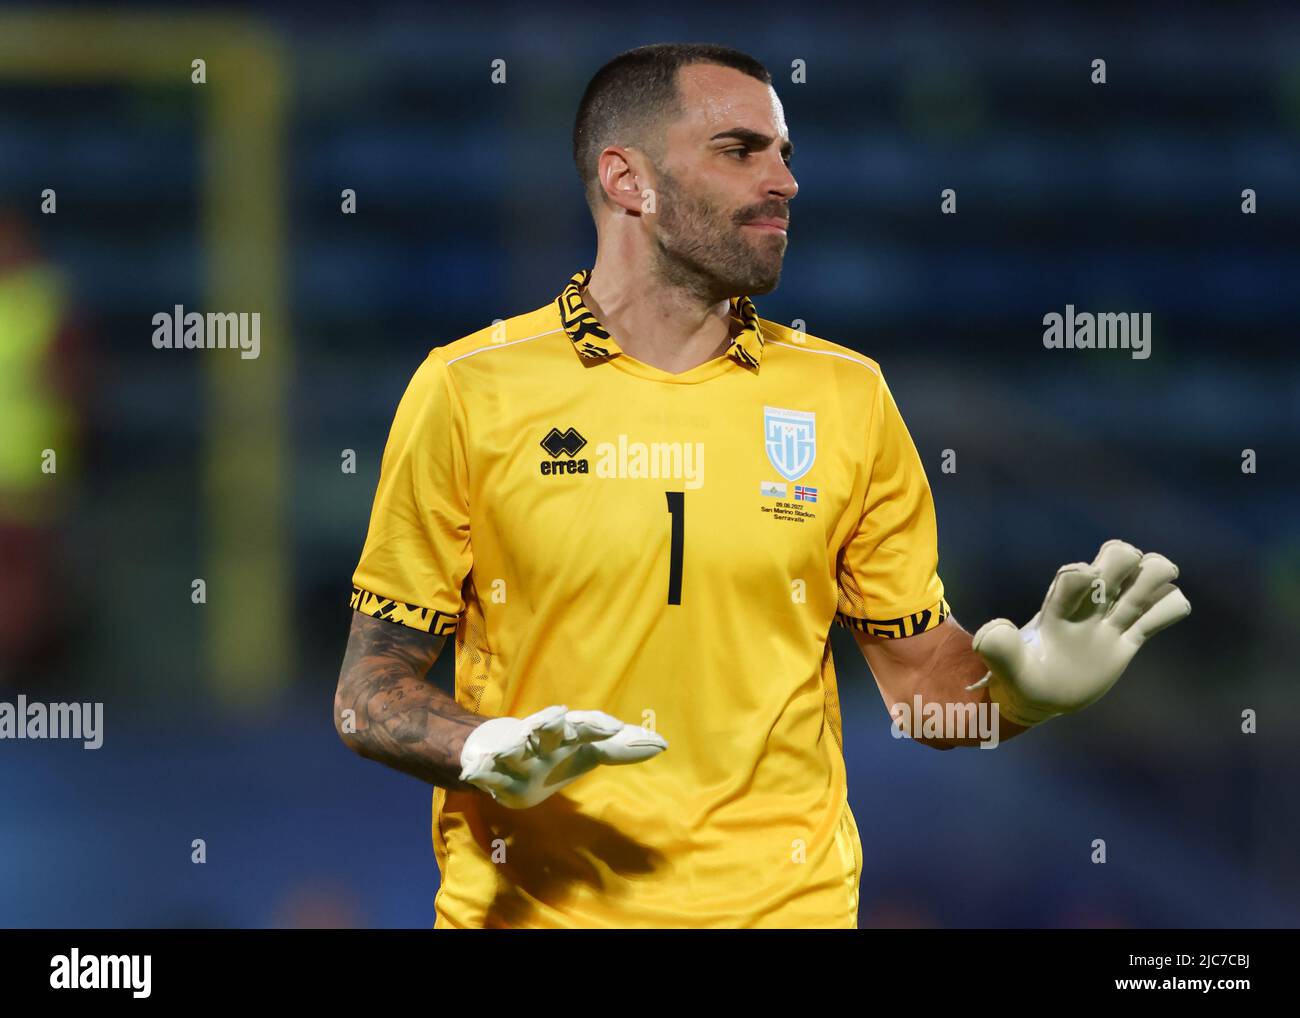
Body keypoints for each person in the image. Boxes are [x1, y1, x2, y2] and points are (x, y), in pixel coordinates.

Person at [333, 43, 1190, 929]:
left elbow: (921, 695)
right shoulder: (470, 390)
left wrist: (1022, 697)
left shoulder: (846, 396)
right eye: (741, 150)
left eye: (785, 154)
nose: (784, 181)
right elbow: (367, 698)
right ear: (629, 180)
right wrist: (481, 747)